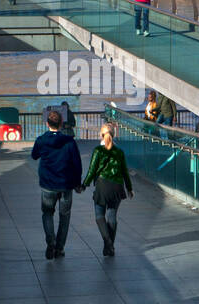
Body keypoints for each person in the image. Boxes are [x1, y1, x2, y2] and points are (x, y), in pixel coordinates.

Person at [31, 108, 83, 260]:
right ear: (61, 124)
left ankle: (50, 242)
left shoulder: (41, 140)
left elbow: (34, 155)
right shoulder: (69, 142)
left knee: (47, 213)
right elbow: (77, 164)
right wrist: (78, 183)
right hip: (66, 184)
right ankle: (59, 248)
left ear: (47, 124)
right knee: (64, 216)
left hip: (48, 184)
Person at [82, 122, 133, 257]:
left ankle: (108, 243)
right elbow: (124, 172)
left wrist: (84, 185)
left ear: (101, 135)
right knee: (112, 216)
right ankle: (109, 248)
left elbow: (92, 170)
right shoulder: (119, 151)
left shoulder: (98, 150)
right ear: (114, 135)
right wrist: (129, 188)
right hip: (117, 187)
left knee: (99, 216)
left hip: (102, 186)